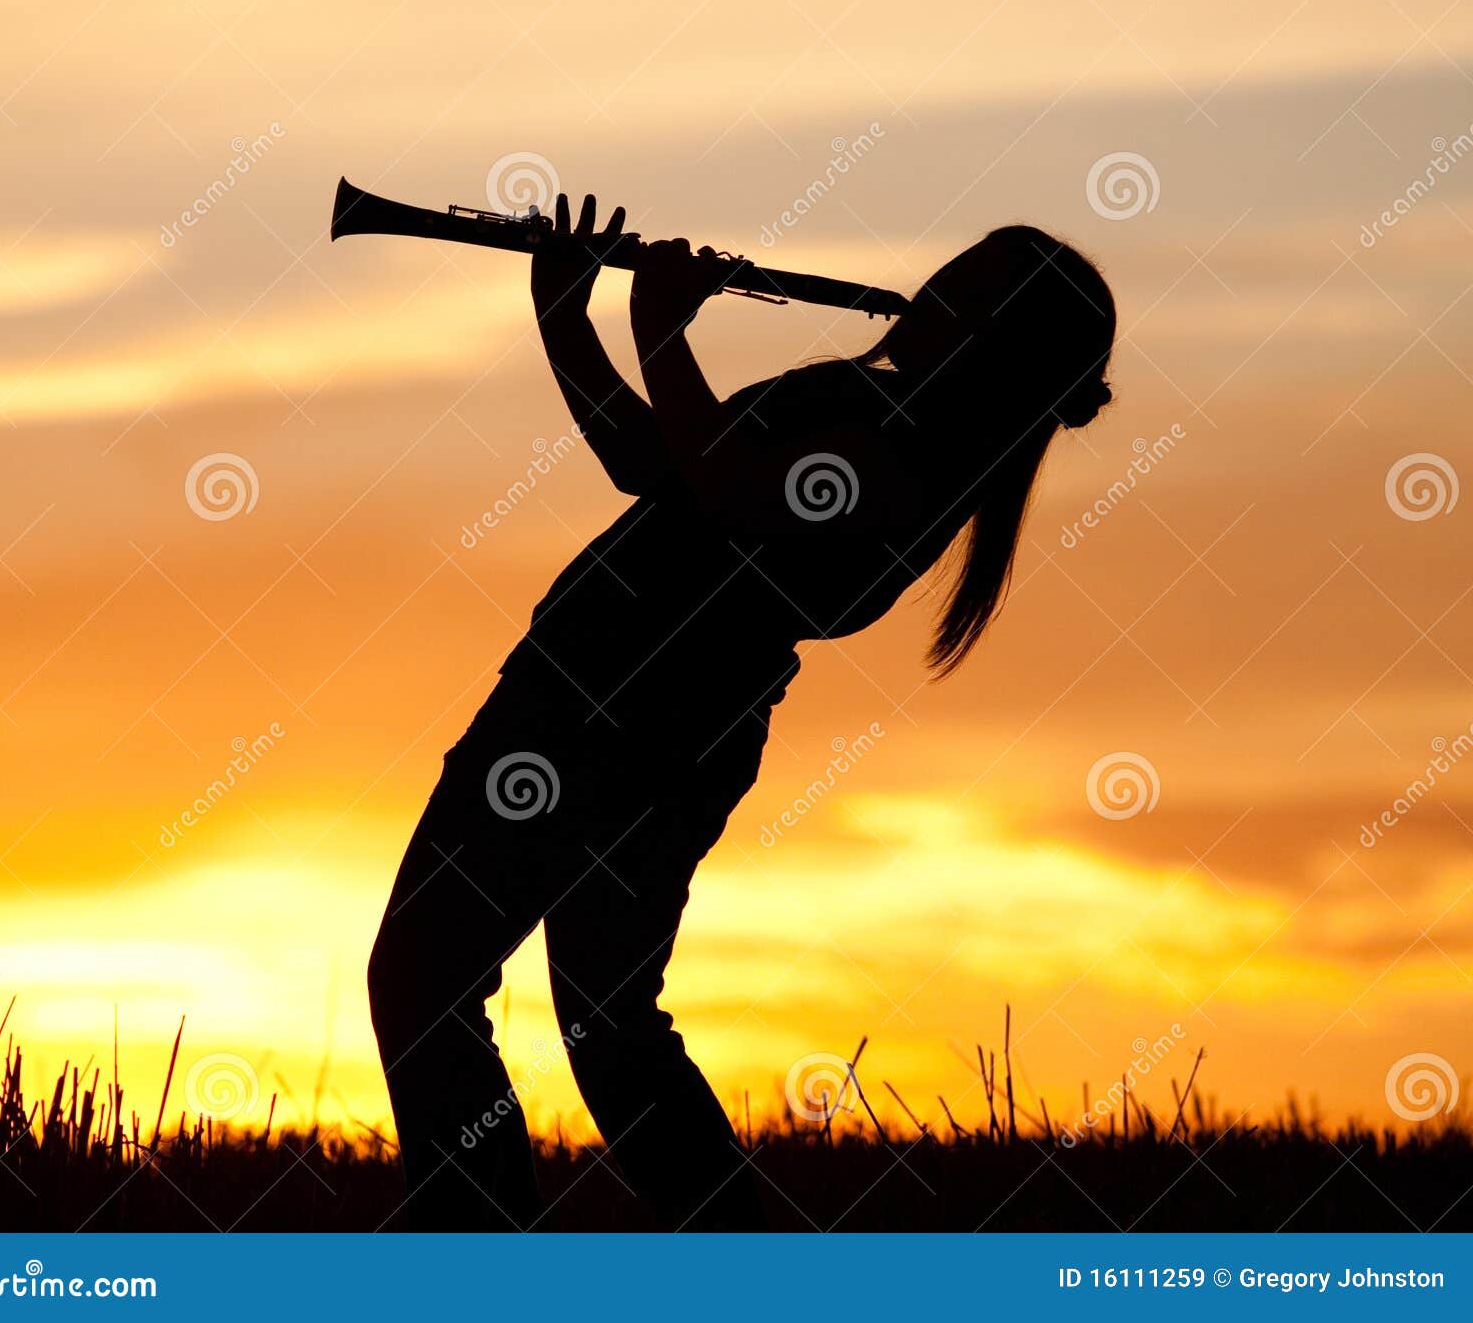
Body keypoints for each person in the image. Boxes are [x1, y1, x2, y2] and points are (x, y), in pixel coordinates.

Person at [368, 194, 1116, 1229]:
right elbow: (655, 465)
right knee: (504, 999)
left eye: (965, 291)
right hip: (580, 695)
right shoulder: (865, 401)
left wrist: (664, 325)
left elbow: (727, 486)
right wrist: (567, 318)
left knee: (543, 1010)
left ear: (995, 348)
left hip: (633, 728)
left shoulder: (906, 460)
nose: (930, 291)